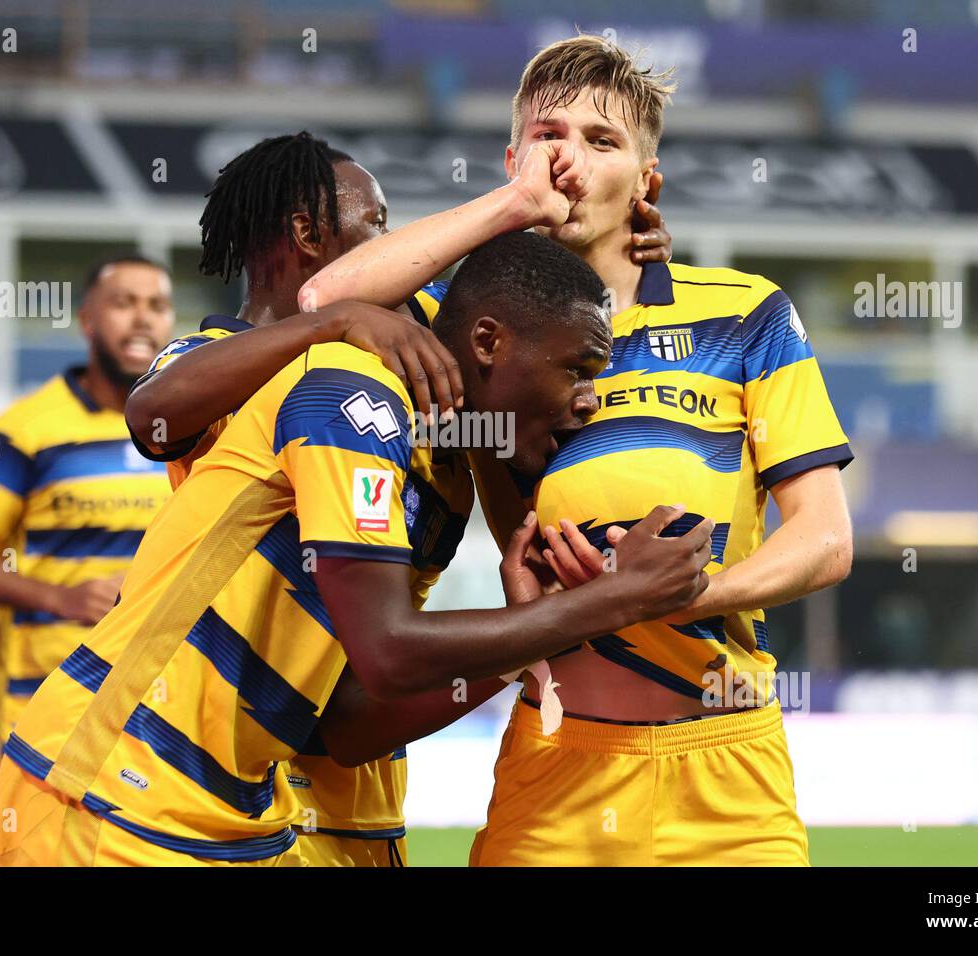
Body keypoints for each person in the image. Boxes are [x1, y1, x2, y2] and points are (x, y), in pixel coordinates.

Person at [303, 34, 855, 866]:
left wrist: (677, 595)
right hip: (557, 763)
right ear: (514, 157)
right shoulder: (470, 322)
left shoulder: (746, 314)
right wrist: (512, 208)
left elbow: (825, 538)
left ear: (647, 180)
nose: (569, 161)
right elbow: (322, 298)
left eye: (603, 142)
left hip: (728, 777)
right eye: (547, 136)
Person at [0, 231, 713, 867]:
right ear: (488, 342)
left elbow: (349, 722)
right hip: (111, 787)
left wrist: (531, 634)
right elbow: (390, 649)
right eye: (580, 369)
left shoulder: (442, 470)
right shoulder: (347, 393)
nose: (591, 400)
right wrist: (612, 600)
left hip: (230, 816)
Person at [122, 131, 673, 865]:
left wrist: (609, 237)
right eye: (376, 225)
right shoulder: (231, 367)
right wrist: (332, 318)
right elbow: (151, 412)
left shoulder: (416, 368)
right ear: (308, 234)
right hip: (234, 794)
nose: (397, 248)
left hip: (359, 792)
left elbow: (524, 312)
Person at [0, 256, 175, 758]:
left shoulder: (194, 427)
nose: (142, 318)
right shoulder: (31, 428)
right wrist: (60, 599)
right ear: (87, 320)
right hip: (43, 719)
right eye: (124, 303)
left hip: (164, 721)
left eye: (156, 305)